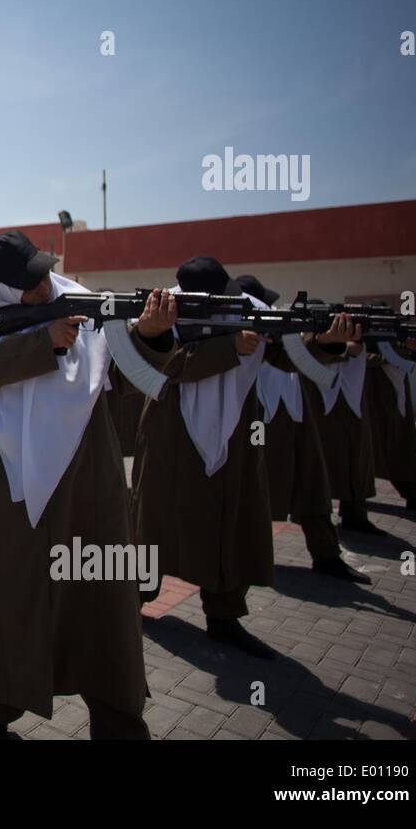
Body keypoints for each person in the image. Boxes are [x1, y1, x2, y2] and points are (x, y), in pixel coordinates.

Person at [0, 232, 154, 739]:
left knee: (102, 596)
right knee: (10, 594)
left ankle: (118, 720)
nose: (43, 286)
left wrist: (150, 333)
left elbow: (132, 376)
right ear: (4, 291)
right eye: (29, 284)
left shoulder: (83, 300)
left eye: (43, 273)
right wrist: (44, 342)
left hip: (91, 472)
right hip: (10, 475)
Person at [130, 257, 277, 659]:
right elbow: (167, 366)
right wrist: (229, 349)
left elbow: (283, 354)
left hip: (232, 431)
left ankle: (224, 617)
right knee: (153, 522)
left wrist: (332, 341)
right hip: (169, 429)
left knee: (228, 519)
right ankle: (127, 607)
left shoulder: (248, 307)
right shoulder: (160, 311)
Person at [235, 275, 369, 584]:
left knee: (313, 487)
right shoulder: (233, 331)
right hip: (259, 419)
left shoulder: (278, 331)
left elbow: (303, 355)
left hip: (294, 412)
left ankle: (326, 555)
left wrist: (327, 340)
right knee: (256, 493)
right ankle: (245, 557)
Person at [300, 302, 385, 536]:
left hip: (348, 401)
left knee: (356, 457)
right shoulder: (304, 335)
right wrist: (344, 348)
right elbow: (308, 358)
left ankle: (354, 513)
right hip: (325, 404)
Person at [365, 338, 416, 516]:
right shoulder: (356, 330)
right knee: (364, 450)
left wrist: (412, 349)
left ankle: (415, 496)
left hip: (394, 395)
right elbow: (348, 356)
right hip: (367, 395)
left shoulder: (396, 337)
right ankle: (352, 503)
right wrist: (386, 357)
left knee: (400, 447)